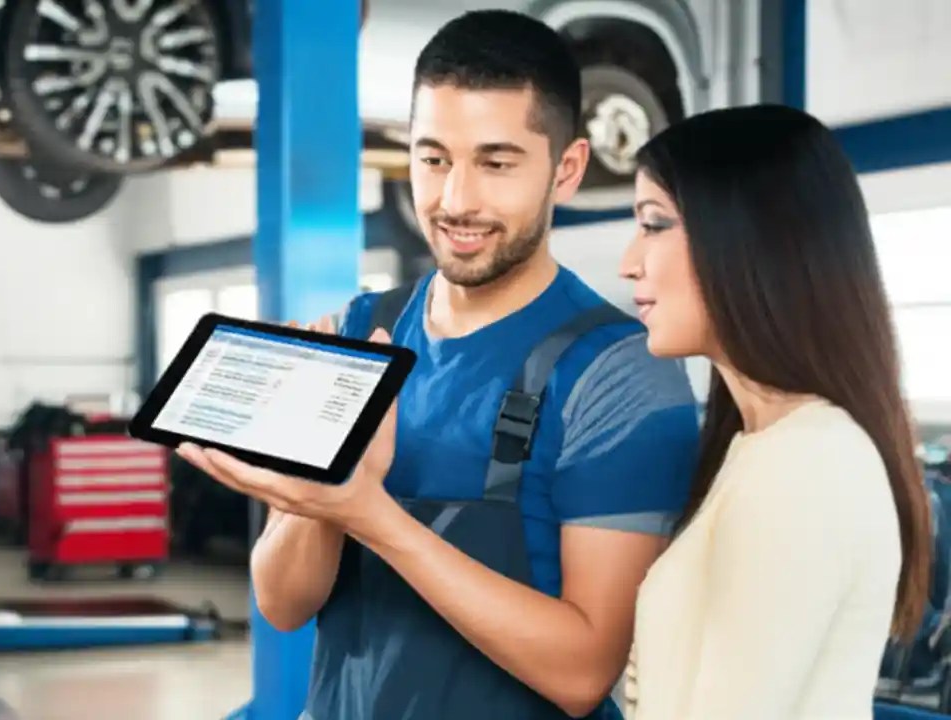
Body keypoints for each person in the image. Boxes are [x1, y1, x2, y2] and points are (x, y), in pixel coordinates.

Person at [176, 10, 700, 720]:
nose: (455, 200)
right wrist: (315, 502)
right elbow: (284, 600)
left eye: (496, 162)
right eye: (433, 158)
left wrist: (369, 515)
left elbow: (583, 671)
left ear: (566, 169)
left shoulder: (618, 374)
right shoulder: (364, 331)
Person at [616, 104, 932, 719]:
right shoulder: (767, 446)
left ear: (747, 240)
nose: (630, 260)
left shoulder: (808, 461)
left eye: (655, 225)